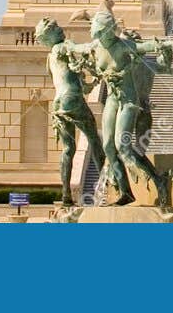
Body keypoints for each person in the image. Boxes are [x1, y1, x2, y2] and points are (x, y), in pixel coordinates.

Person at [70, 8, 173, 206]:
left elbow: (149, 46)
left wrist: (165, 47)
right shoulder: (97, 46)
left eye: (99, 31)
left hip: (128, 100)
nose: (96, 34)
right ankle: (125, 191)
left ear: (106, 31)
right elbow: (77, 47)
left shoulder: (124, 46)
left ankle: (158, 180)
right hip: (112, 98)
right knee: (108, 147)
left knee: (123, 146)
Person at [34, 18, 107, 207]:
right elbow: (80, 49)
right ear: (49, 36)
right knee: (94, 140)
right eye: (55, 28)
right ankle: (104, 190)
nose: (60, 29)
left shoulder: (50, 58)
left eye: (58, 26)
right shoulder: (63, 46)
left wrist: (91, 82)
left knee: (68, 149)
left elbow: (74, 82)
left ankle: (66, 193)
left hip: (58, 104)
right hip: (72, 100)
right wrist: (99, 43)